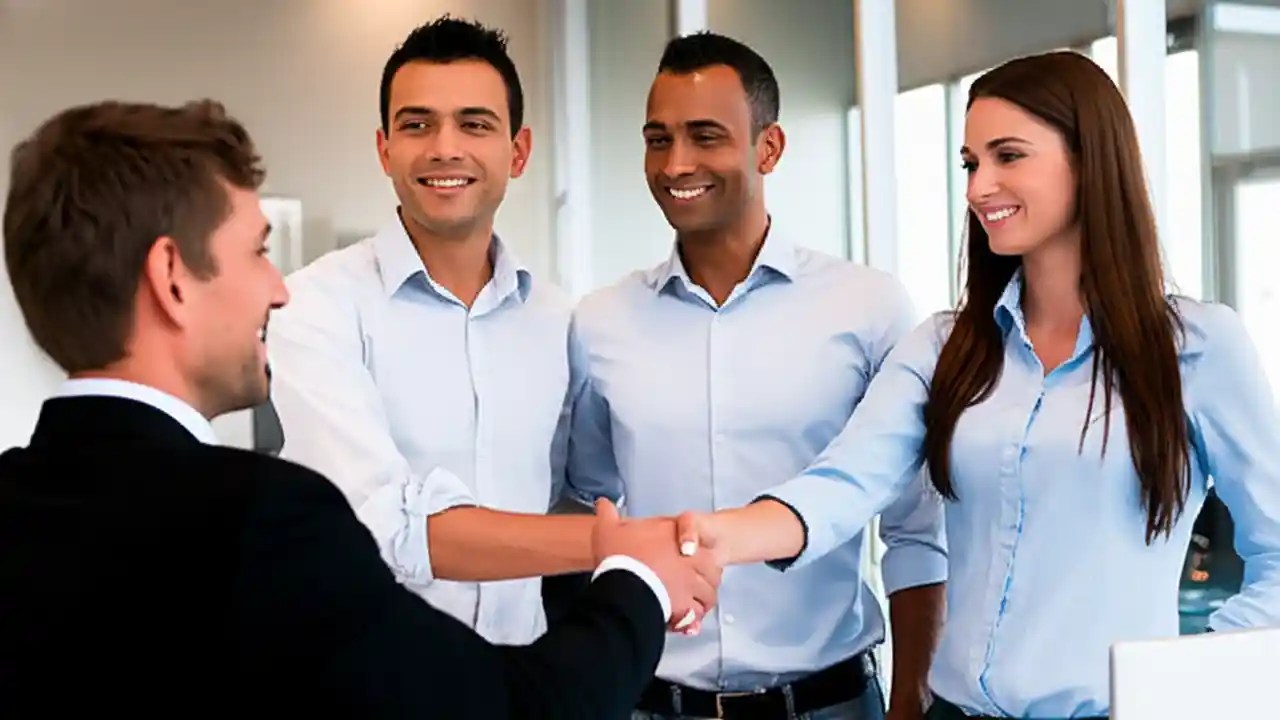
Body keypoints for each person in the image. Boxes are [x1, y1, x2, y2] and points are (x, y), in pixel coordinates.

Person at [0, 98, 722, 718]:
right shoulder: (266, 521)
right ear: (172, 278)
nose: (278, 291)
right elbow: (518, 709)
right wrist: (638, 579)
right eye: (257, 253)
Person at [671, 50, 1280, 720]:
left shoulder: (1197, 347)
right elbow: (844, 484)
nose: (978, 187)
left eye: (1007, 156)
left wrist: (1189, 682)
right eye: (970, 163)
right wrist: (718, 536)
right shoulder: (944, 347)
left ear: (1089, 160)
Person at [566, 32, 947, 720]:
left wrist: (912, 705)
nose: (676, 163)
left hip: (831, 703)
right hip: (650, 703)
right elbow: (587, 519)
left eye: (705, 136)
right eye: (658, 139)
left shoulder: (868, 307)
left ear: (768, 147)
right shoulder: (599, 324)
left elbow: (916, 533)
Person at [265, 15, 643, 644]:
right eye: (417, 125)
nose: (445, 147)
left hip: (524, 679)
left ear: (517, 152)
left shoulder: (557, 320)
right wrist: (624, 547)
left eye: (474, 124)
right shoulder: (315, 306)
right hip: (364, 682)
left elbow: (575, 495)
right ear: (385, 148)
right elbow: (383, 526)